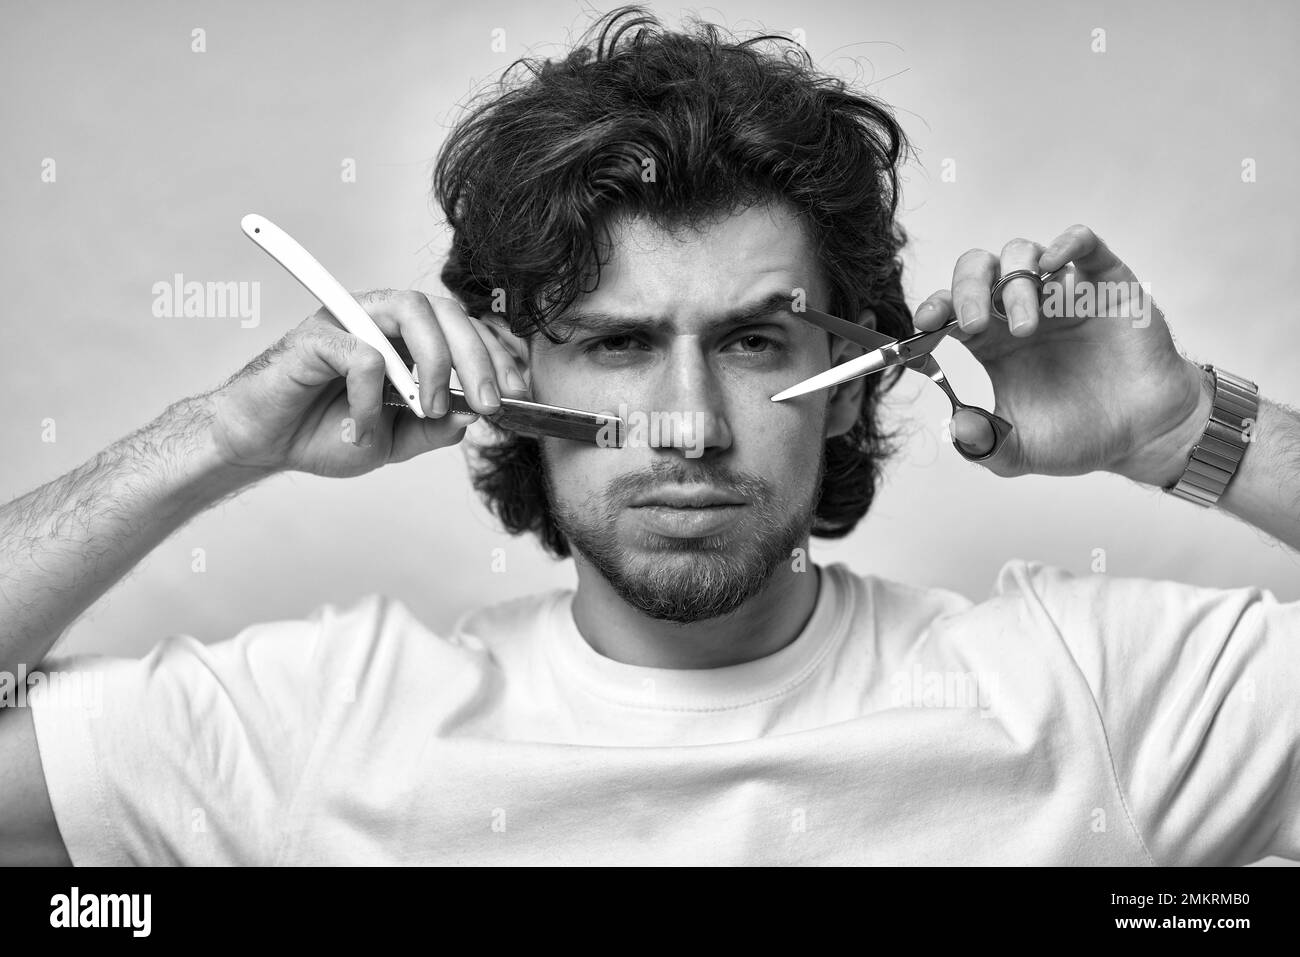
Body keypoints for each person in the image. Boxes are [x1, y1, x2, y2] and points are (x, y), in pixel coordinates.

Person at [1, 5, 1296, 867]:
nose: (688, 427)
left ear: (851, 380)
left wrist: (1186, 427)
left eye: (751, 341)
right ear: (510, 372)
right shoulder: (311, 724)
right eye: (619, 341)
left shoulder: (1103, 696)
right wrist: (214, 436)